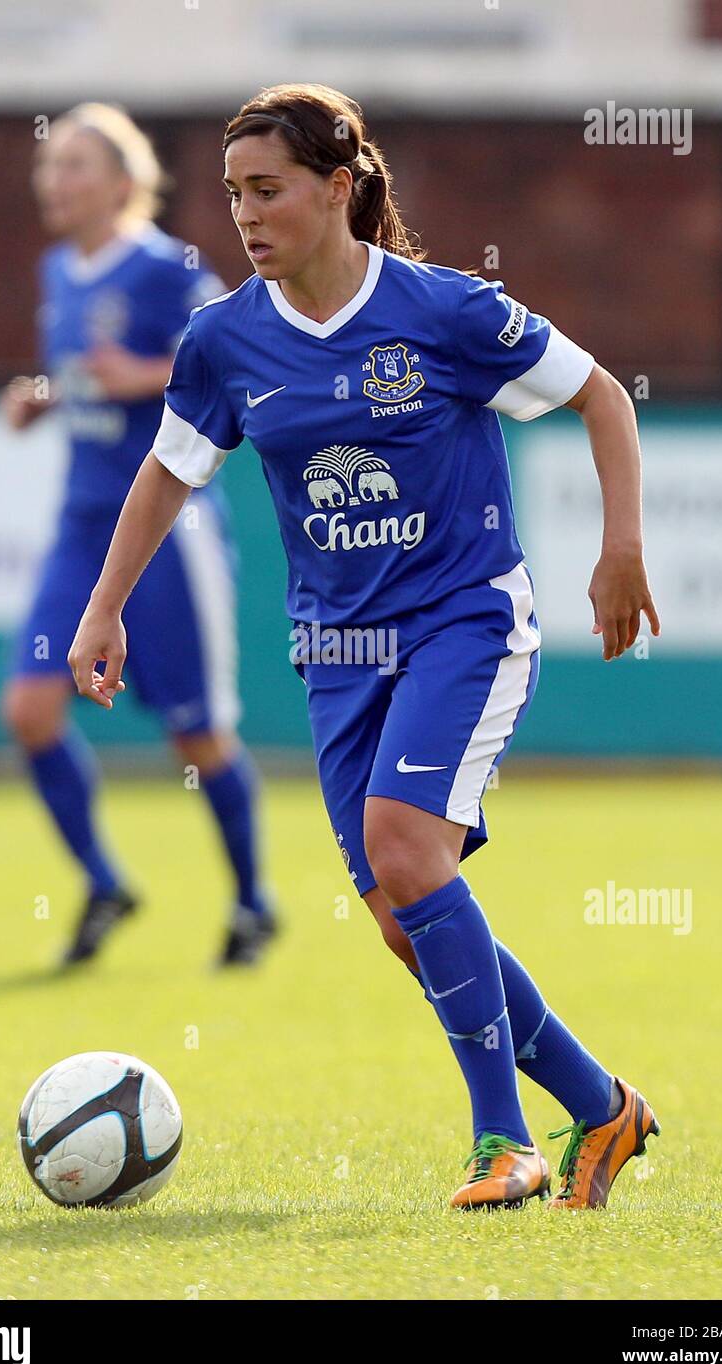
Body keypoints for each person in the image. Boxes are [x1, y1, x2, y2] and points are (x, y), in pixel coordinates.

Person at [68, 84, 662, 1210]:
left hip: (465, 622)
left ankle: (504, 1141)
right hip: (337, 653)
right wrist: (103, 610)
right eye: (233, 194)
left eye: (269, 189)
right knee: (404, 916)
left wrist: (620, 549)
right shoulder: (223, 340)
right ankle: (601, 1106)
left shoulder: (444, 312)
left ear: (339, 188)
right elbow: (166, 472)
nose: (245, 215)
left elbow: (600, 398)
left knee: (400, 844)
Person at [0, 102, 275, 968]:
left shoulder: (166, 269)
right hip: (82, 525)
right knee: (30, 708)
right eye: (50, 166)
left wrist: (145, 375)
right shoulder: (59, 271)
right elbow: (88, 372)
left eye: (75, 165)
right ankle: (103, 882)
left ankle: (251, 902)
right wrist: (47, 393)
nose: (56, 180)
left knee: (197, 738)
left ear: (124, 181)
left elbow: (232, 363)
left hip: (166, 531)